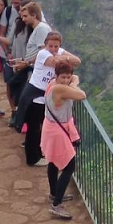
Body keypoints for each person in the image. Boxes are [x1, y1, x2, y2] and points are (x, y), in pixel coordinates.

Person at [42, 58, 86, 219]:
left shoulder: (51, 85)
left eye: (68, 77)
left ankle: (54, 194)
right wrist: (73, 84)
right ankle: (56, 205)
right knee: (69, 167)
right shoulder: (60, 89)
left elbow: (74, 80)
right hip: (57, 132)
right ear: (57, 76)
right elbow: (82, 95)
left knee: (53, 162)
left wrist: (72, 81)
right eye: (63, 77)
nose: (66, 80)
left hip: (50, 128)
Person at [22, 22, 69, 167]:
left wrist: (62, 55)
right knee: (34, 128)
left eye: (57, 46)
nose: (54, 49)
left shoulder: (56, 53)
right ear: (45, 45)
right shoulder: (43, 54)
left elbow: (77, 61)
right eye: (51, 46)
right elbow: (56, 63)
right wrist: (63, 56)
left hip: (43, 99)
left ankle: (38, 152)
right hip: (35, 98)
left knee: (38, 127)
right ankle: (32, 159)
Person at [9, 0, 51, 132]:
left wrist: (27, 63)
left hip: (36, 73)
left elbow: (44, 52)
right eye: (22, 16)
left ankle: (34, 134)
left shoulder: (41, 29)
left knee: (31, 103)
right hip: (31, 70)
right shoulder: (37, 29)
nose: (23, 19)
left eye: (25, 16)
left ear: (34, 15)